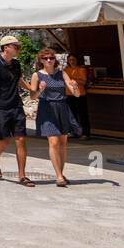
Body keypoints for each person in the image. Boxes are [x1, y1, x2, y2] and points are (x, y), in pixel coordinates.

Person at [0, 35, 35, 186]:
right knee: (5, 140)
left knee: (21, 140)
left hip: (16, 106)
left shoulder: (16, 64)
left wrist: (32, 88)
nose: (18, 49)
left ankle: (22, 176)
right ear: (6, 47)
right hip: (0, 107)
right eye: (16, 46)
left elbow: (18, 80)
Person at [32, 49, 81, 186]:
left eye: (51, 58)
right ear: (41, 60)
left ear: (55, 60)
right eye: (45, 58)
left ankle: (60, 172)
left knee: (63, 144)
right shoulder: (37, 75)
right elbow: (32, 96)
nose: (49, 60)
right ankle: (59, 176)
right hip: (47, 108)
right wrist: (40, 90)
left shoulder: (62, 73)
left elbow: (76, 94)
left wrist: (75, 87)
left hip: (62, 108)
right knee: (53, 142)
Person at [65, 54, 92, 140]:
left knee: (83, 115)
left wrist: (71, 79)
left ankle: (86, 134)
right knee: (72, 116)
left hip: (80, 94)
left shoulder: (81, 69)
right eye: (70, 60)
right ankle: (74, 132)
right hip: (69, 94)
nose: (72, 61)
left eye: (73, 59)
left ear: (77, 60)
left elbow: (83, 82)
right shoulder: (65, 70)